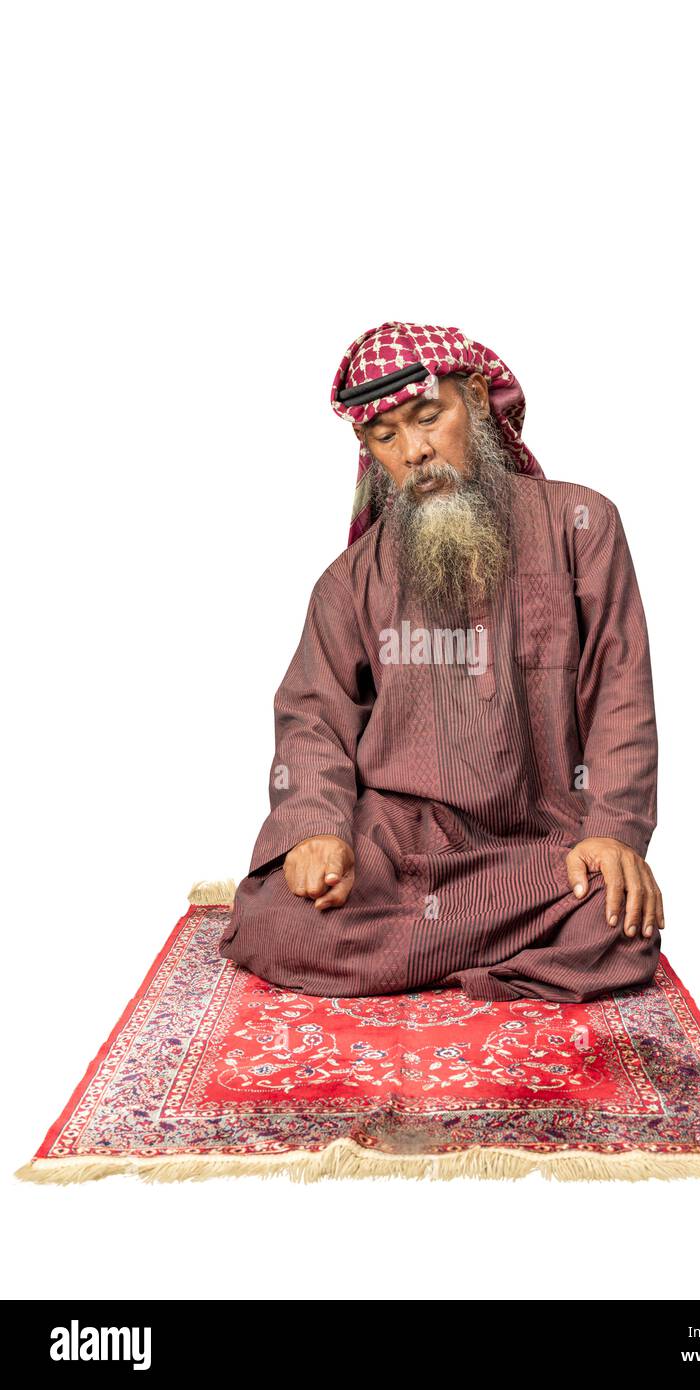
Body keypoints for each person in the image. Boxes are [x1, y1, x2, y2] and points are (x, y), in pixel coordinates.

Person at [219, 321, 664, 1002]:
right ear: (368, 449)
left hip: (543, 844)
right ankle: (512, 957)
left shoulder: (584, 525)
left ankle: (424, 956)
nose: (416, 451)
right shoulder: (350, 582)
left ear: (479, 403)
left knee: (616, 913)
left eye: (429, 417)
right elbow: (313, 719)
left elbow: (619, 696)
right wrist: (317, 829)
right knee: (274, 920)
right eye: (386, 436)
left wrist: (613, 833)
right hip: (401, 846)